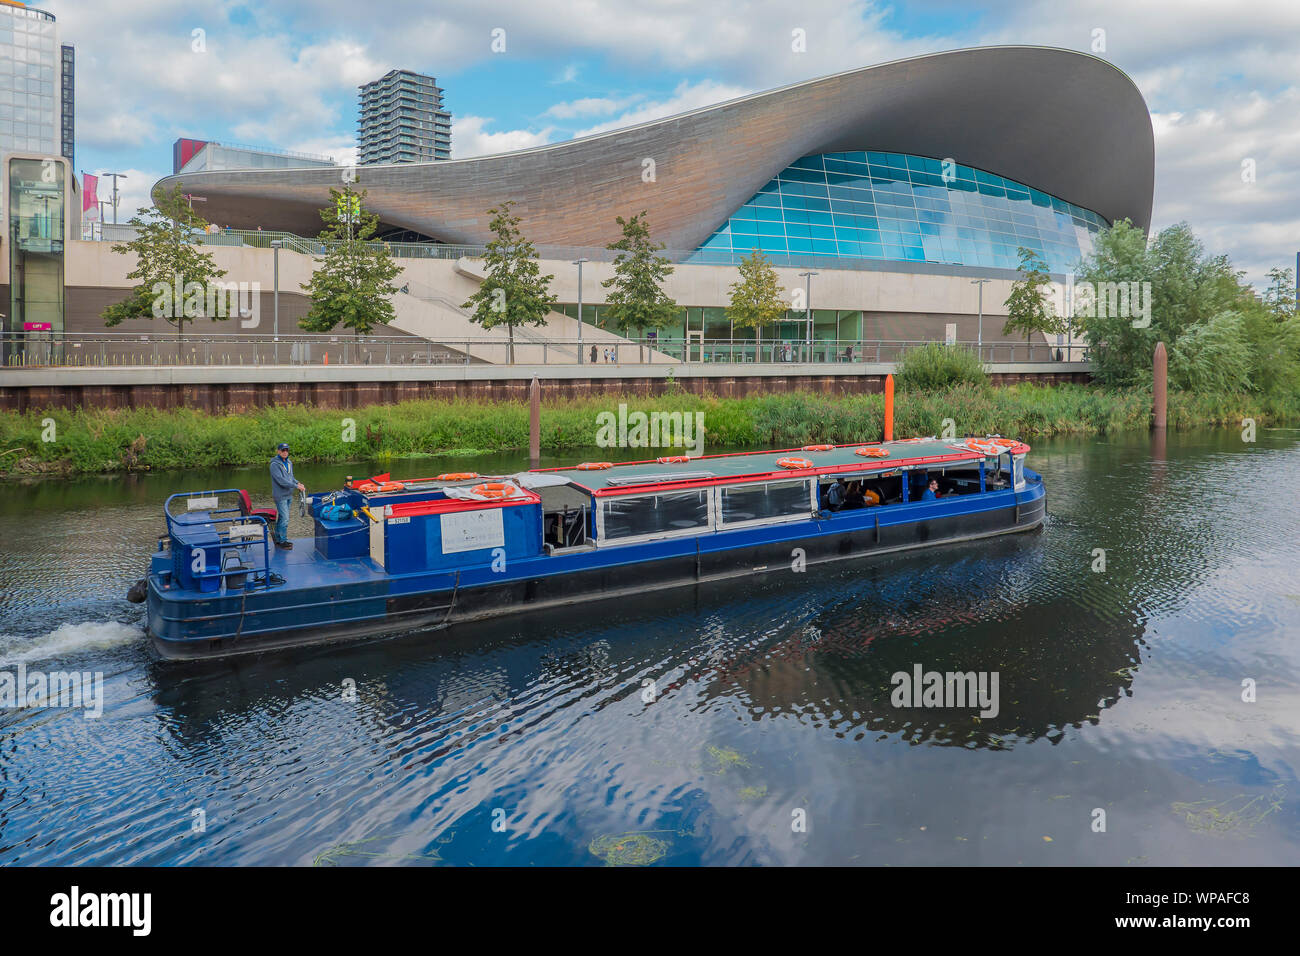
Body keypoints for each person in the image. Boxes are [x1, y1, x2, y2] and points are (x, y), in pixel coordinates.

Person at [269, 442, 305, 549]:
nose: (285, 452)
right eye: (282, 450)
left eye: (286, 450)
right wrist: (295, 486)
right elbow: (281, 481)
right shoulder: (274, 465)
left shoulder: (289, 462)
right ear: (278, 451)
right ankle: (283, 541)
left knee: (282, 518)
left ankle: (279, 540)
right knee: (285, 518)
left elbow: (291, 477)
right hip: (280, 496)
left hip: (289, 495)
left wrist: (298, 483)